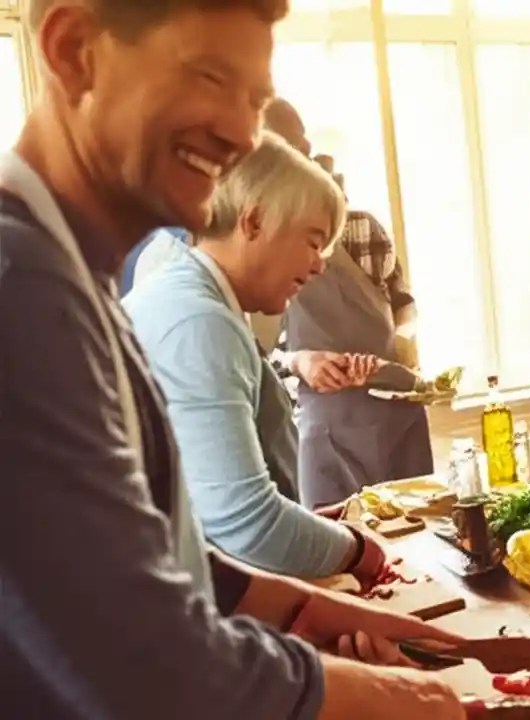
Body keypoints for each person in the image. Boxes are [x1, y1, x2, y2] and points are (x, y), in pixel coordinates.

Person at [1, 1, 464, 717]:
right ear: (73, 51)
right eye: (210, 78)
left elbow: (122, 556)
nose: (243, 133)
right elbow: (140, 665)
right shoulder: (21, 287)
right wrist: (399, 699)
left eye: (255, 100)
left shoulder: (79, 278)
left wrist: (282, 605)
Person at [124, 132, 390, 583]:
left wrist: (311, 530)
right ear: (254, 222)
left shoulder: (191, 294)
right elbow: (245, 527)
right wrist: (363, 552)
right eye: (313, 240)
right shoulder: (200, 322)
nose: (321, 264)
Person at [265, 101, 434, 510]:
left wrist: (403, 339)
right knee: (341, 543)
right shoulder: (258, 245)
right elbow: (260, 355)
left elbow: (402, 301)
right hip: (326, 427)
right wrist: (303, 360)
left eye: (303, 152)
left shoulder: (363, 228)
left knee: (420, 538)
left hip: (398, 410)